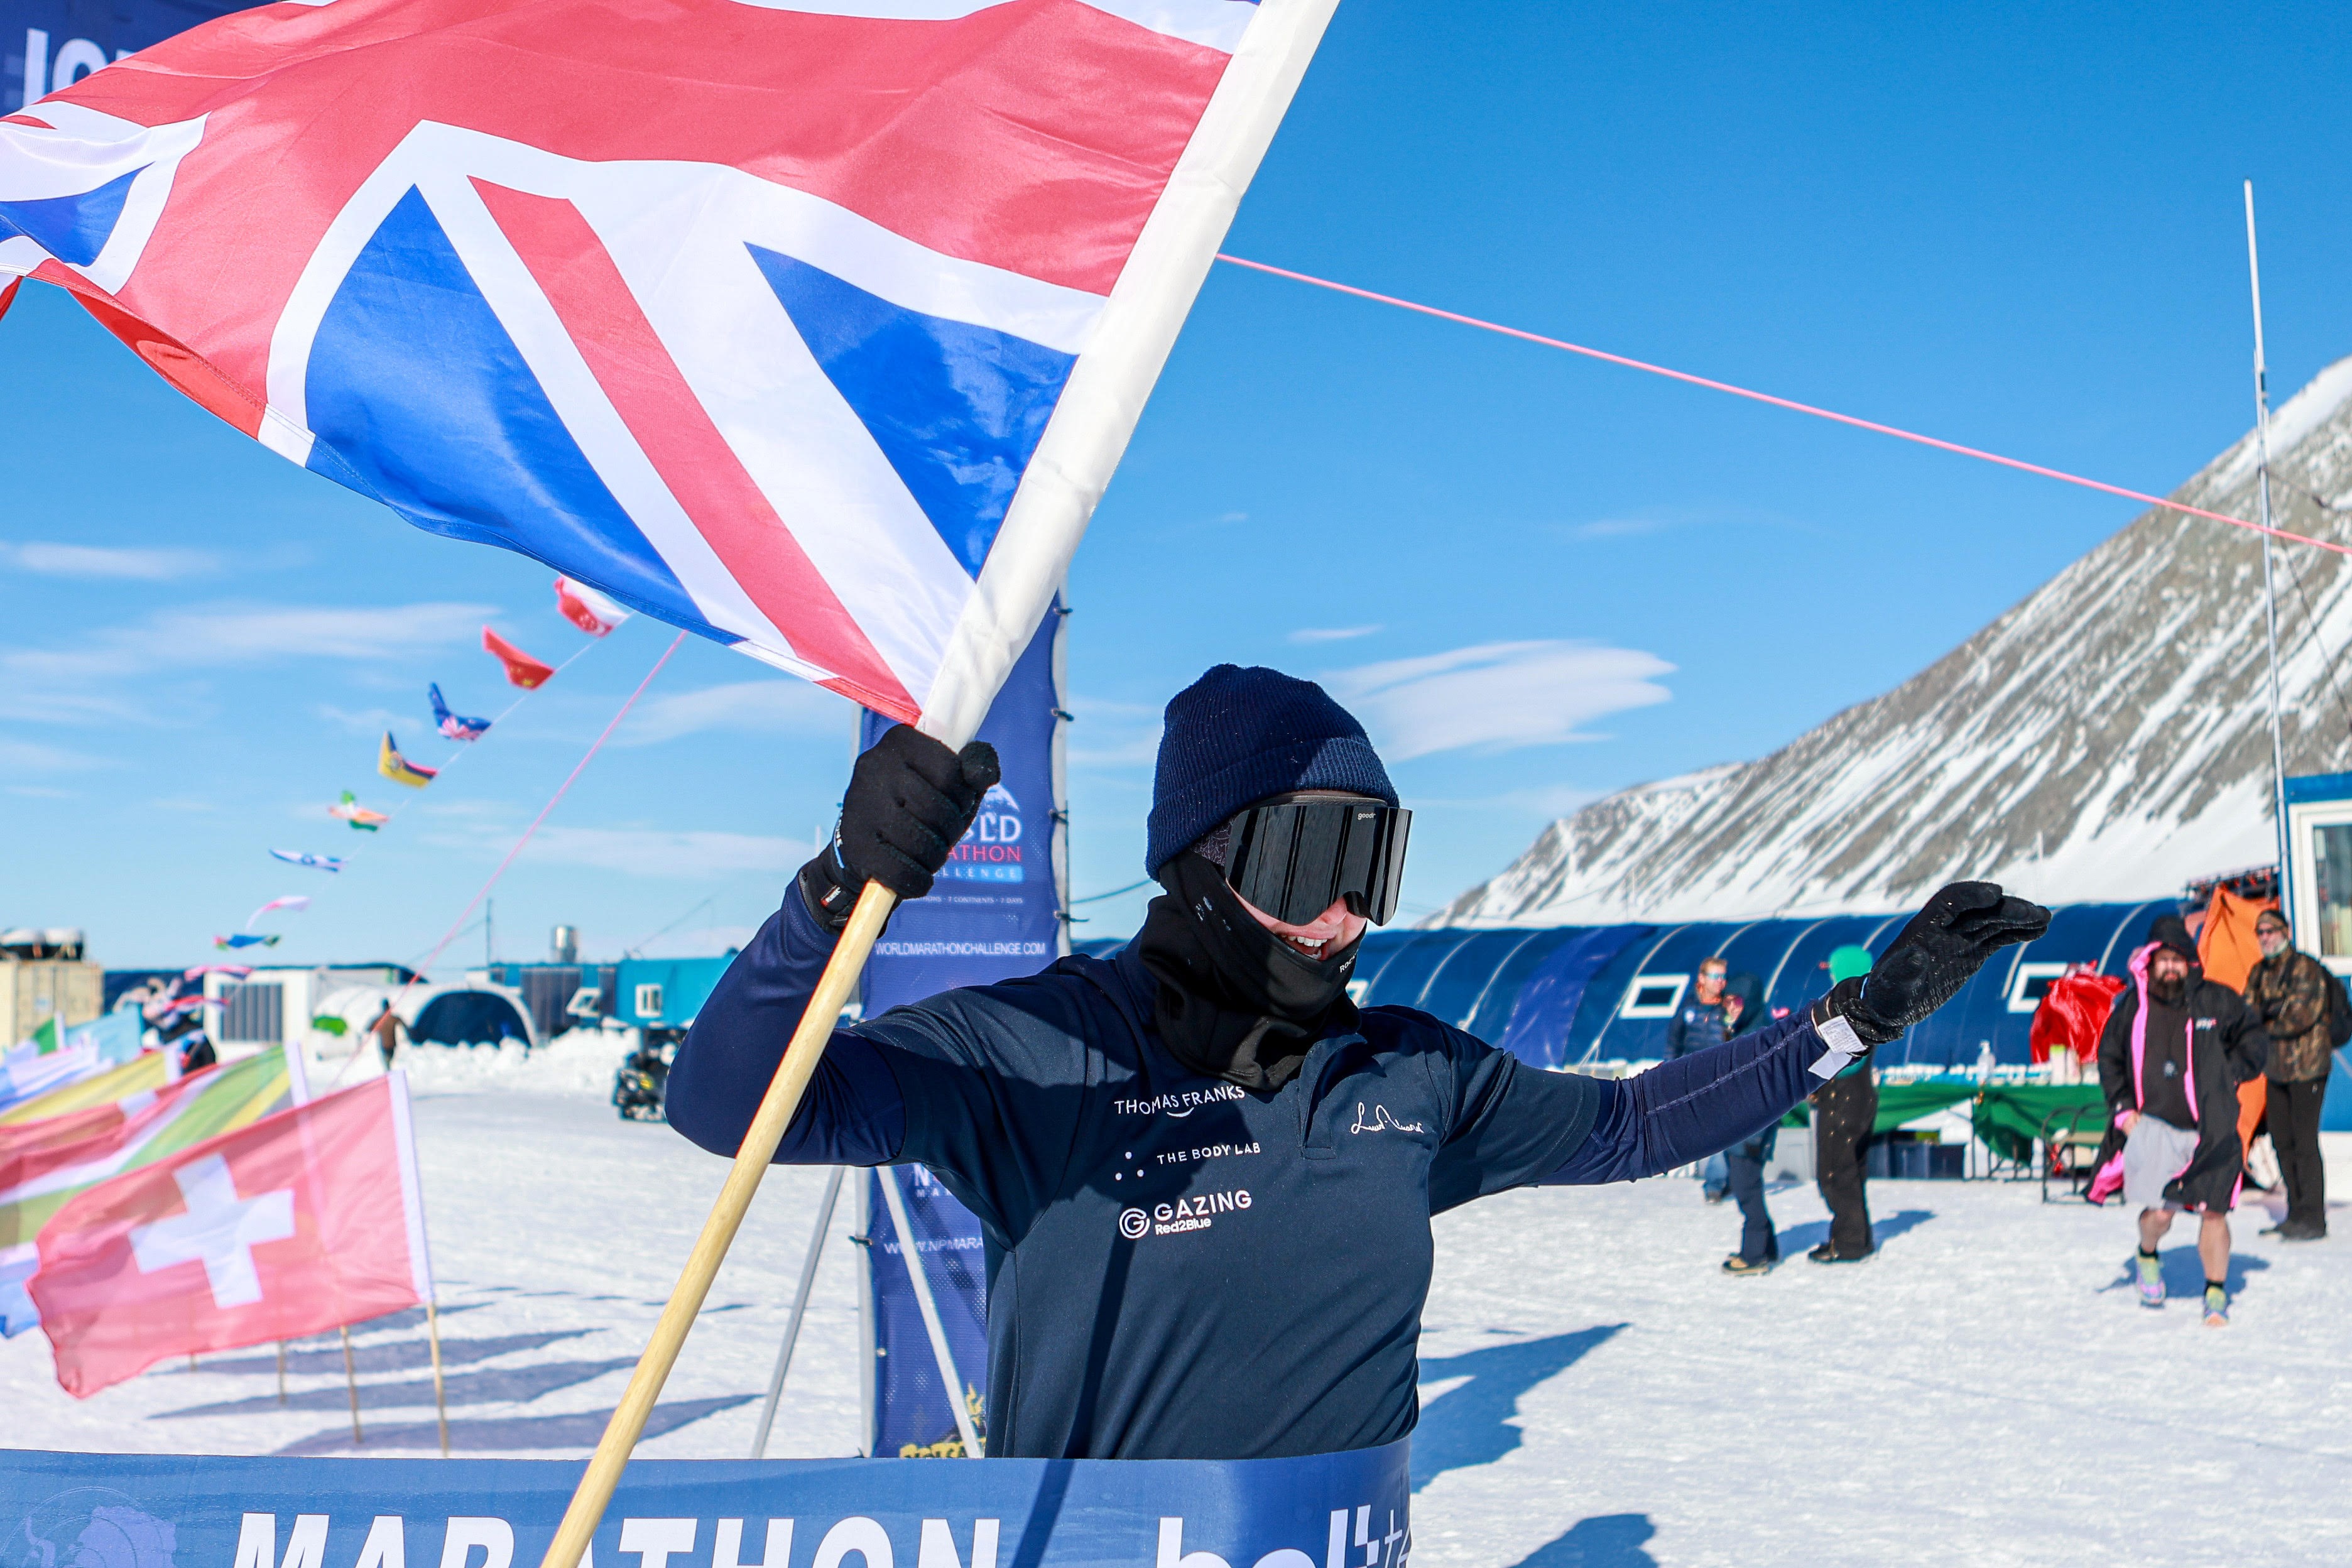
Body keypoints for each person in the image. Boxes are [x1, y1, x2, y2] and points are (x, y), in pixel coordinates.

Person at [667, 665, 2047, 1460]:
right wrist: (835, 890)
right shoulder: (1040, 1050)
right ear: (1199, 858)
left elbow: (1631, 1125)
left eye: (1369, 864)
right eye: (1305, 860)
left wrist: (1857, 1018)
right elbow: (726, 1104)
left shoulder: (1401, 1075)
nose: (1342, 916)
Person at [2094, 916, 2268, 1325]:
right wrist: (2123, 1111)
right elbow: (2110, 1058)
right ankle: (2148, 1254)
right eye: (2164, 960)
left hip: (2211, 1129)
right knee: (2160, 1214)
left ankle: (2215, 1292)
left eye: (2178, 960)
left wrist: (2232, 1072)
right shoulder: (2133, 1007)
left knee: (2214, 1212)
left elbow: (2253, 1036)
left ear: (2189, 961)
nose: (2171, 967)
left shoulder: (2216, 1000)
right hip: (2156, 1128)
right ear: (2151, 962)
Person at [2241, 908, 2331, 1241]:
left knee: (2304, 1142)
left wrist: (2267, 1015)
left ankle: (2314, 1218)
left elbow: (2299, 1017)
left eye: (2271, 931)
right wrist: (2270, 1011)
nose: (2265, 938)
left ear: (2286, 932)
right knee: (2282, 1140)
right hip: (2276, 1068)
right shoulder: (2258, 972)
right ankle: (2295, 1212)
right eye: (2260, 932)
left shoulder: (2306, 968)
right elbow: (2246, 1013)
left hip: (2308, 1068)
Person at [1809, 943, 1880, 1263]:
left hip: (1844, 1098)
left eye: (1835, 972)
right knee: (1852, 1171)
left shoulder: (1849, 1011)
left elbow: (1847, 1060)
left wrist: (1812, 1074)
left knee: (1835, 1173)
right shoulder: (1873, 1005)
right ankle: (1858, 1239)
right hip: (1860, 1097)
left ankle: (1849, 1243)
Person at [1669, 957, 1743, 1202]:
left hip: (1721, 1078)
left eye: (1723, 977)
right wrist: (1671, 1073)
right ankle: (1717, 1180)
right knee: (1707, 1131)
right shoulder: (1688, 1007)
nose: (1720, 982)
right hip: (1693, 1078)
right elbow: (1674, 1041)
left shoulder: (1728, 1007)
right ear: (1702, 978)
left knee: (1721, 1129)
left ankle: (1717, 1183)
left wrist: (1732, 1022)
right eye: (1715, 976)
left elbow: (1738, 1040)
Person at [369, 1000, 407, 1070]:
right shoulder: (393, 1018)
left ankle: (389, 1071)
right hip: (390, 1046)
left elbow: (369, 1028)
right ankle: (389, 1071)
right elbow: (404, 1024)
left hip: (386, 1046)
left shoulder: (379, 1020)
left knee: (388, 1063)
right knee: (389, 1063)